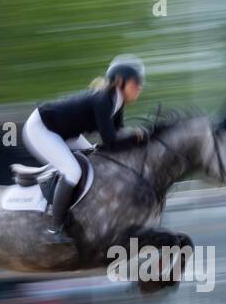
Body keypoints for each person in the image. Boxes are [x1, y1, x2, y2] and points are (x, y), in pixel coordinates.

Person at [22, 55, 149, 242]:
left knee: (95, 160)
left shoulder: (117, 103)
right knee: (72, 171)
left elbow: (116, 138)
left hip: (64, 133)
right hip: (41, 128)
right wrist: (134, 135)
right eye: (135, 82)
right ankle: (54, 229)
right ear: (120, 80)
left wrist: (135, 137)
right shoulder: (104, 100)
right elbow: (111, 141)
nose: (139, 87)